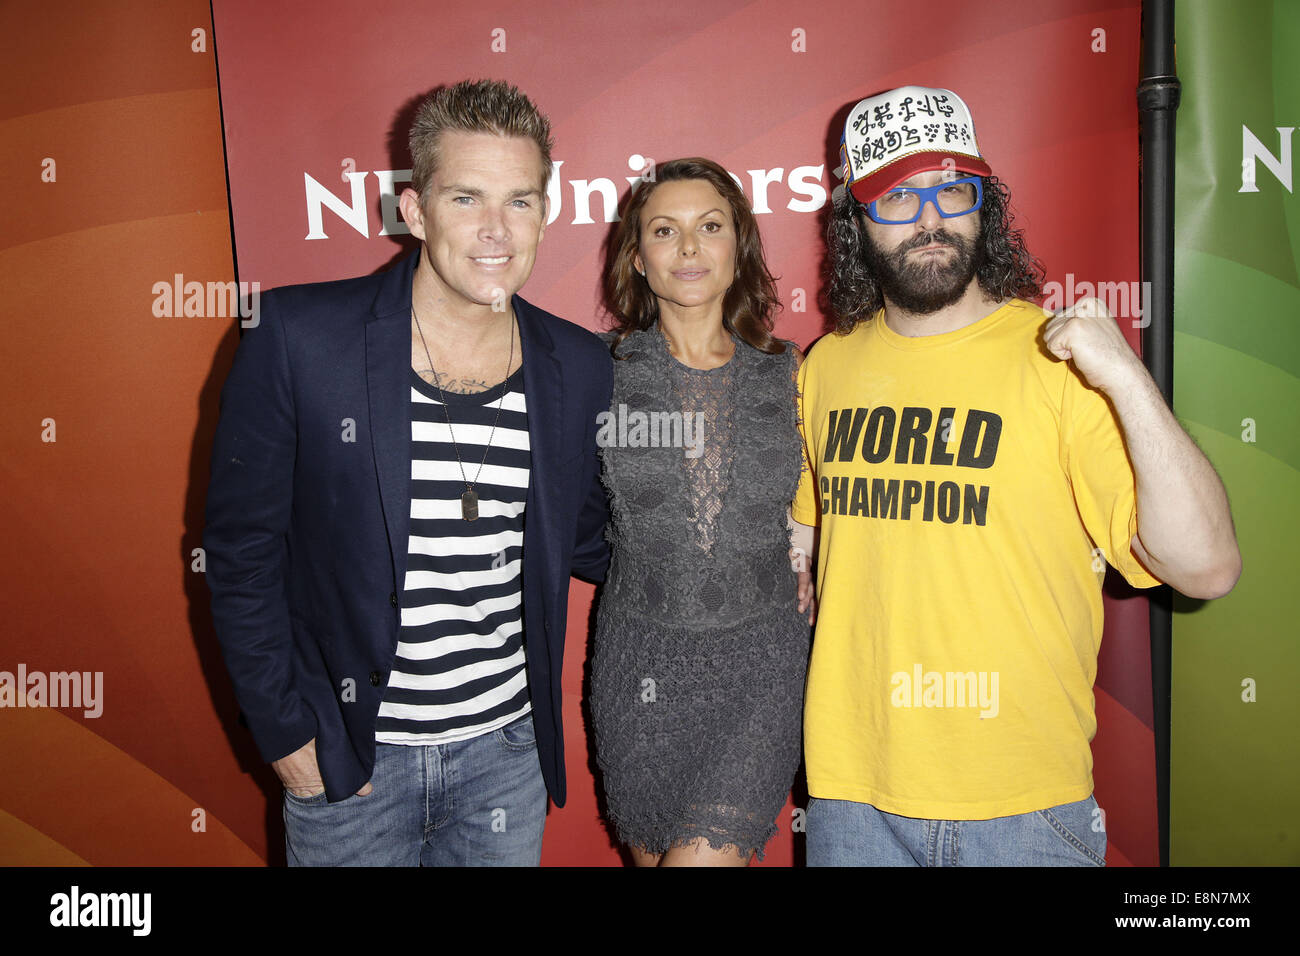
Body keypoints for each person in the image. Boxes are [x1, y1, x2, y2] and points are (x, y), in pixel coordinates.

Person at [791, 86, 1241, 866]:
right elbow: (806, 545)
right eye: (897, 196)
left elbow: (1207, 566)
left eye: (952, 190)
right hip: (851, 801)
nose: (930, 219)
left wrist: (1128, 380)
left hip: (1022, 811)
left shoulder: (1059, 360)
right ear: (854, 220)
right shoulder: (825, 367)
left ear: (983, 207)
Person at [203, 79, 613, 866]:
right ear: (416, 210)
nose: (496, 230)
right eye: (467, 198)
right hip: (354, 760)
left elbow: (590, 538)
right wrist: (283, 728)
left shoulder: (579, 365)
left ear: (546, 210)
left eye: (520, 201)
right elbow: (240, 550)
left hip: (505, 757)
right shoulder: (301, 337)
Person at [590, 157, 814, 867]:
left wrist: (807, 555)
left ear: (739, 246)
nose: (689, 248)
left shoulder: (794, 372)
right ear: (638, 256)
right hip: (639, 668)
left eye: (709, 227)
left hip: (761, 665)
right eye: (665, 230)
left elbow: (826, 500)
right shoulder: (597, 372)